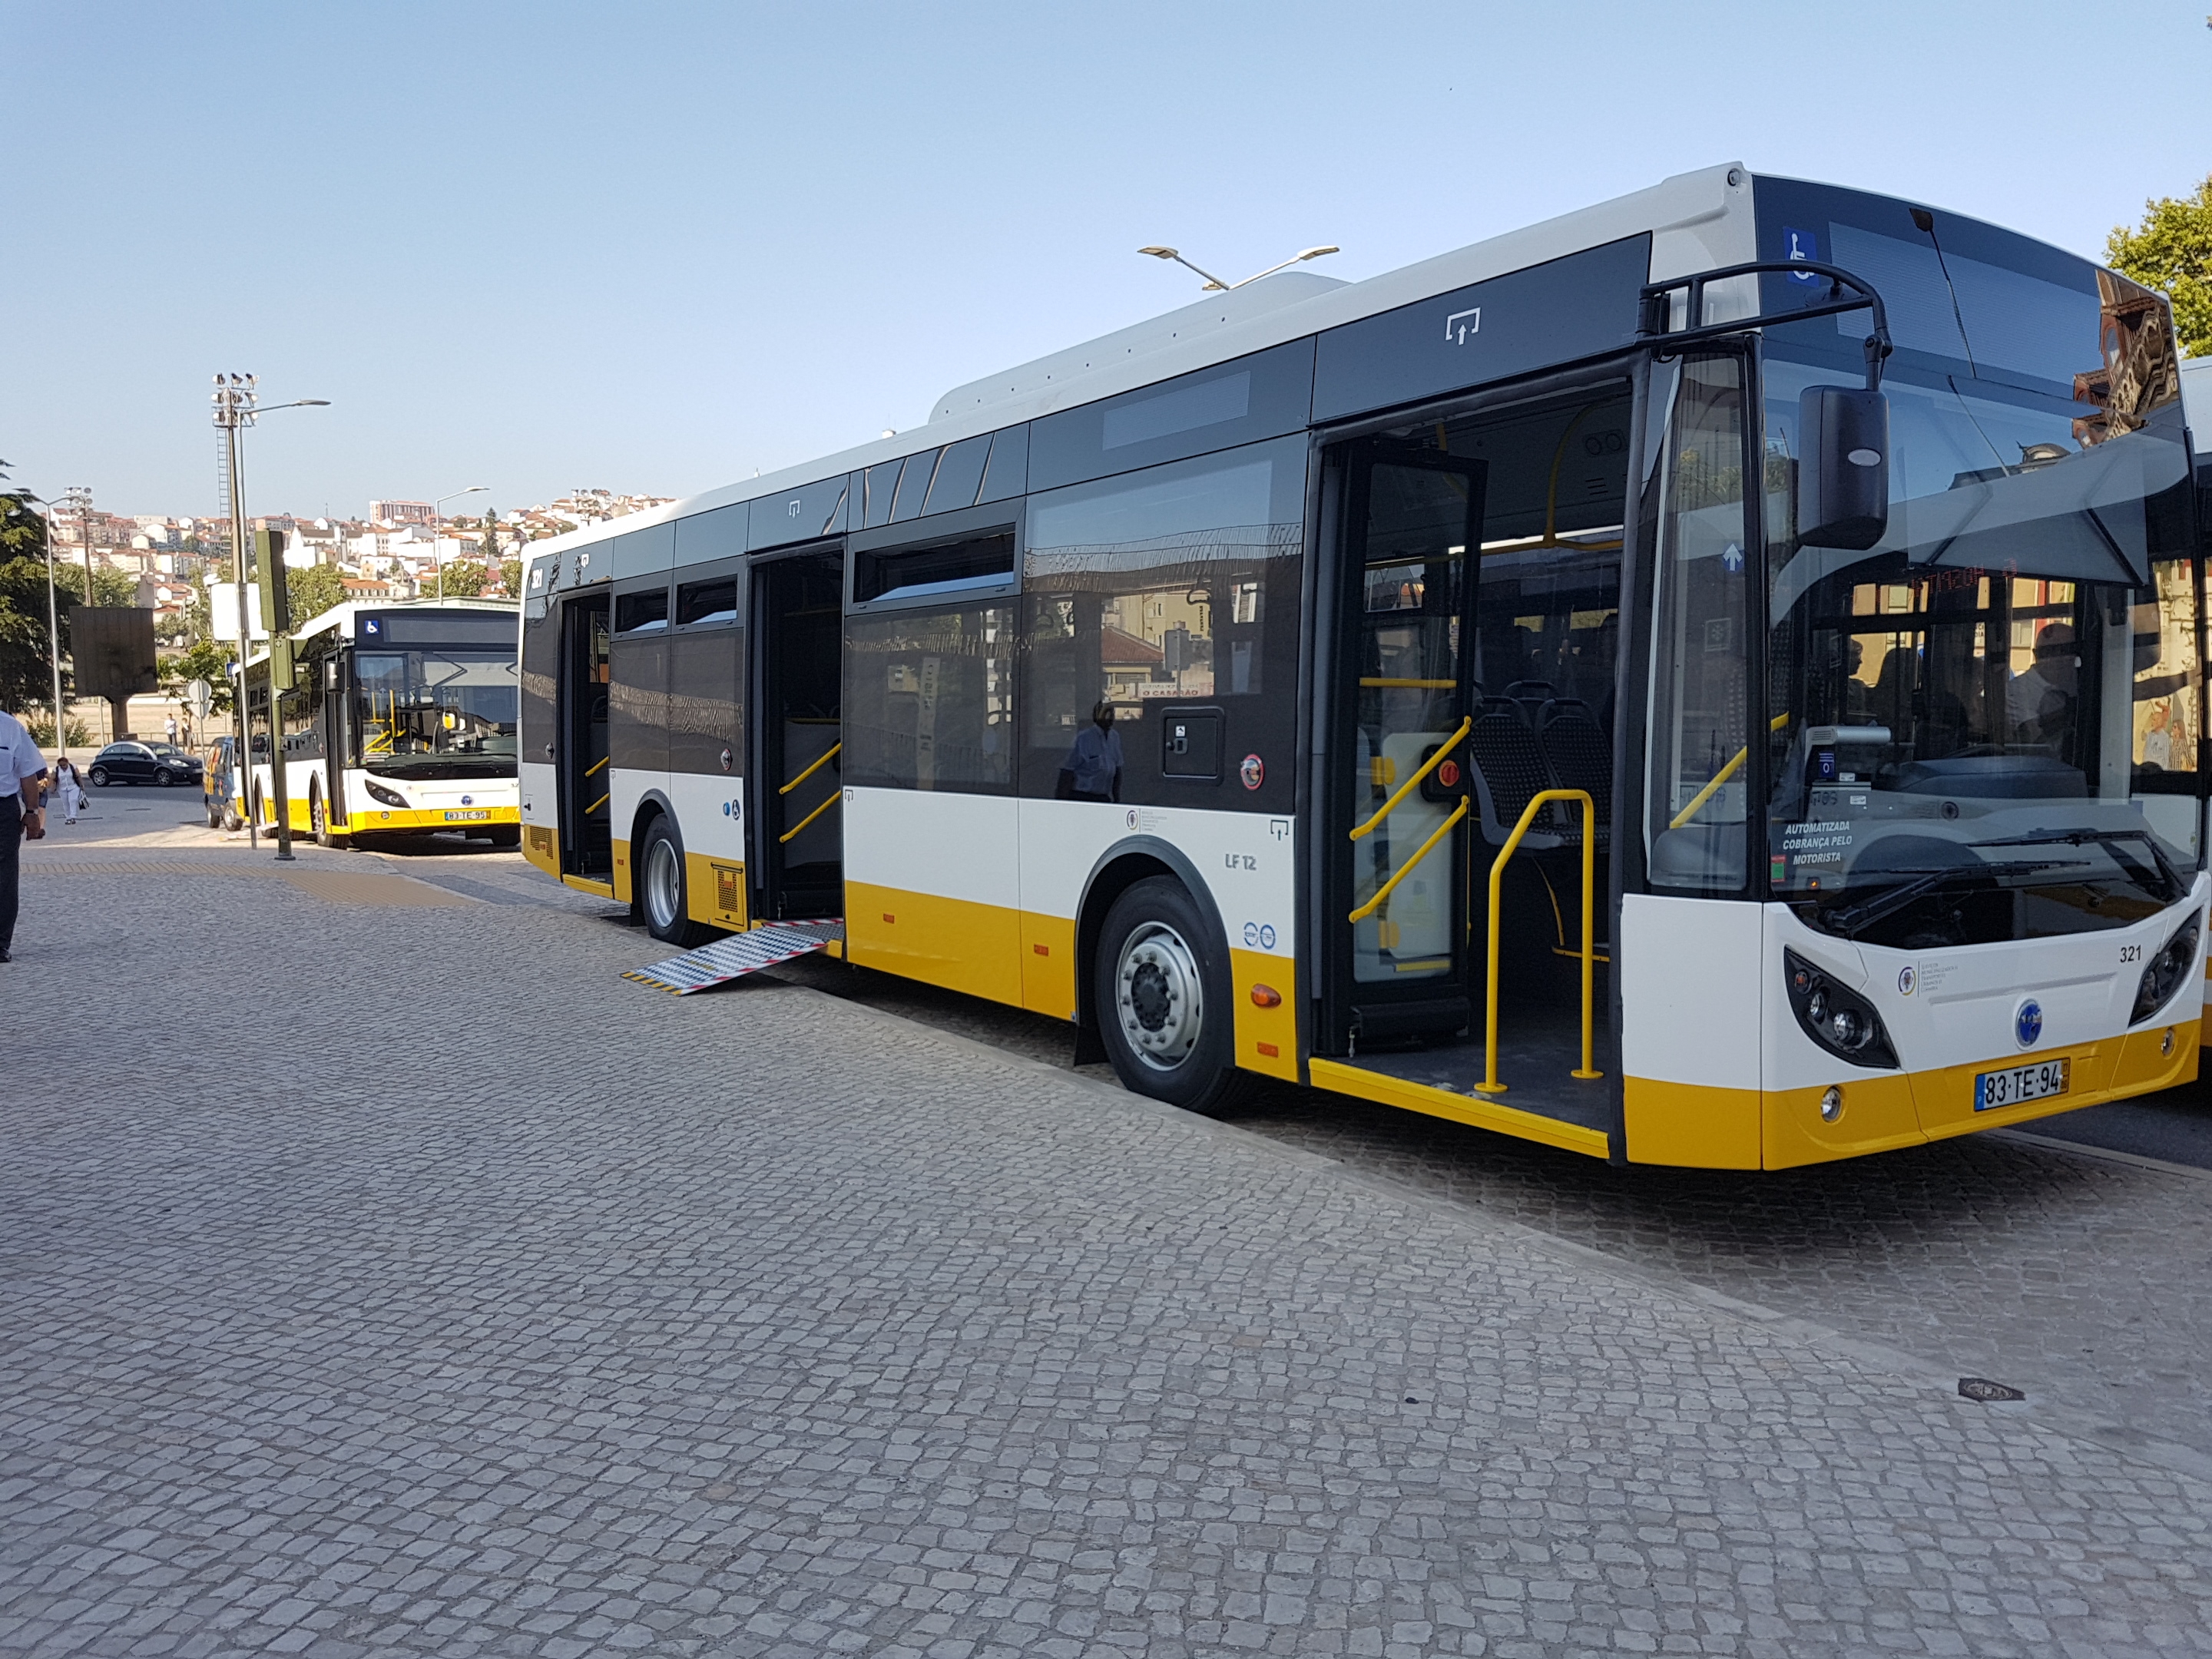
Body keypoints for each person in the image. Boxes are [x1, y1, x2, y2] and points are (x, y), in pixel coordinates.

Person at [0, 704, 50, 963]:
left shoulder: (10, 728)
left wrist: (32, 812)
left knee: (5, 877)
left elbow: (27, 774)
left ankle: (0, 942)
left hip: (3, 810)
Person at [1061, 700, 1124, 804]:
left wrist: (1117, 798)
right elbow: (1067, 771)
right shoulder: (1084, 738)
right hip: (1083, 797)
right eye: (1105, 713)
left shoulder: (1115, 737)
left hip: (1104, 798)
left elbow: (1118, 770)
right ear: (1096, 716)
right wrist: (1062, 803)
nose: (1109, 717)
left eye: (1112, 714)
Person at [50, 756, 84, 824]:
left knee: (73, 800)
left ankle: (73, 816)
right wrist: (52, 788)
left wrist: (82, 785)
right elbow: (53, 779)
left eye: (64, 765)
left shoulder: (73, 767)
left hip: (73, 786)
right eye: (61, 765)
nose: (63, 767)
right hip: (62, 788)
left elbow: (78, 776)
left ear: (67, 763)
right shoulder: (56, 769)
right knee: (65, 803)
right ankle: (68, 817)